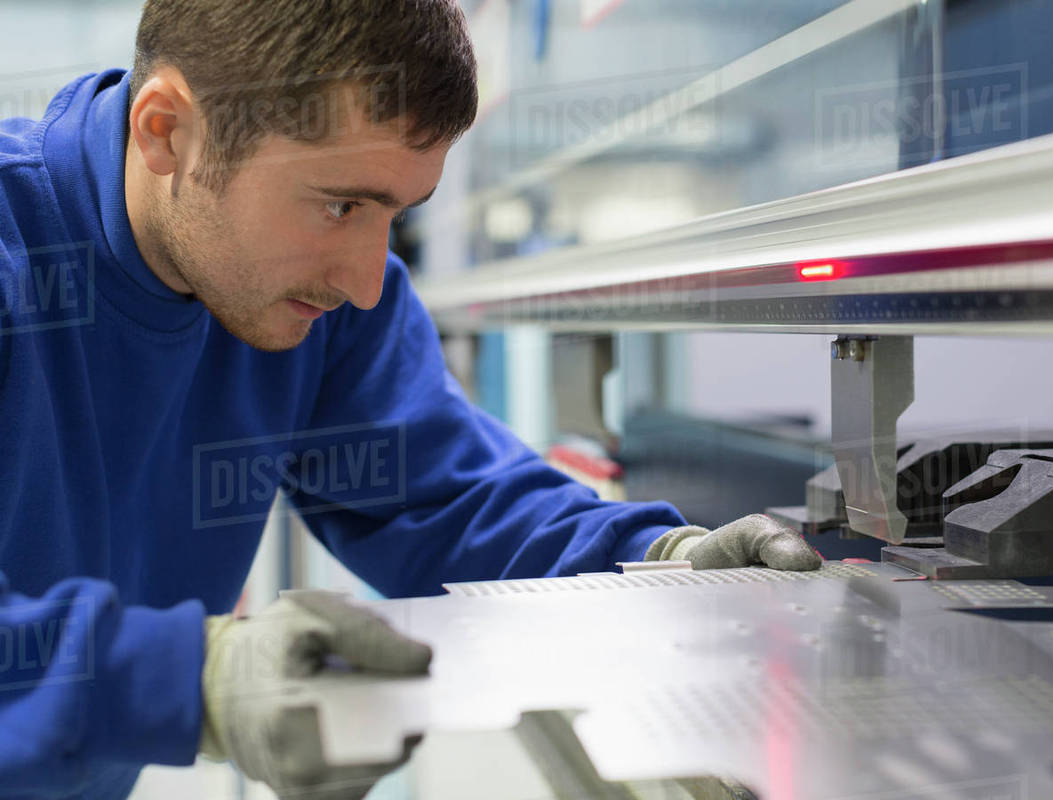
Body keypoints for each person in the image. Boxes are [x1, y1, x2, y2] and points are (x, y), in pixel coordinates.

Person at [0, 1, 821, 798]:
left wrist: (654, 564)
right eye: (339, 204)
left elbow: (446, 500)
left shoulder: (320, 302)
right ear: (167, 131)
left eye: (394, 212)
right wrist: (195, 678)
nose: (365, 282)